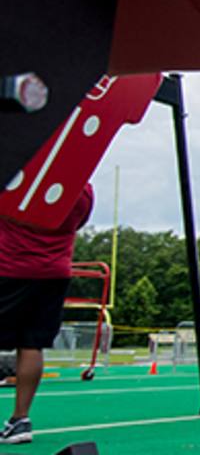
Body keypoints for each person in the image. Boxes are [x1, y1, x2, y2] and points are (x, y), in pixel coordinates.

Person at [0, 184, 93, 445]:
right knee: (32, 343)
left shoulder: (16, 175)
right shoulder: (81, 188)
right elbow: (79, 222)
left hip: (9, 266)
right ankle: (20, 419)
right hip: (53, 272)